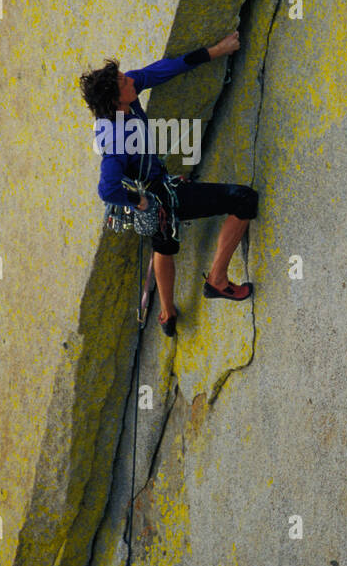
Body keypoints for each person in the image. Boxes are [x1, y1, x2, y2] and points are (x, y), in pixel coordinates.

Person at [79, 31, 259, 337]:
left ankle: (166, 311)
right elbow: (106, 189)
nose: (130, 80)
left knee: (163, 243)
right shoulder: (117, 142)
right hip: (160, 196)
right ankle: (217, 280)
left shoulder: (124, 98)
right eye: (123, 82)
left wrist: (217, 49)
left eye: (123, 76)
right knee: (244, 199)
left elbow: (165, 69)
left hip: (154, 188)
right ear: (114, 100)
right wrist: (142, 202)